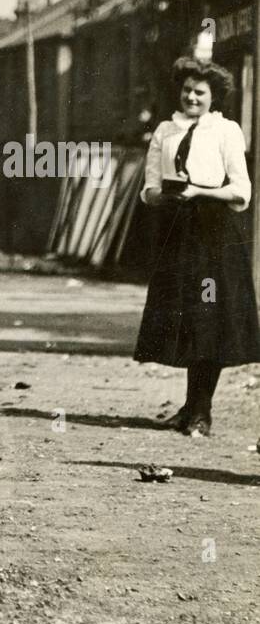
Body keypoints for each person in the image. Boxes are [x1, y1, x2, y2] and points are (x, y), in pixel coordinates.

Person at [134, 57, 259, 437]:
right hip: (177, 232)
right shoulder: (165, 131)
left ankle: (202, 411)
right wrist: (164, 194)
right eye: (187, 90)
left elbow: (242, 191)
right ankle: (190, 408)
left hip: (214, 234)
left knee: (209, 314)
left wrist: (200, 191)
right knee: (186, 316)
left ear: (213, 96)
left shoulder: (226, 131)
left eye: (199, 92)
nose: (191, 97)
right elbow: (148, 189)